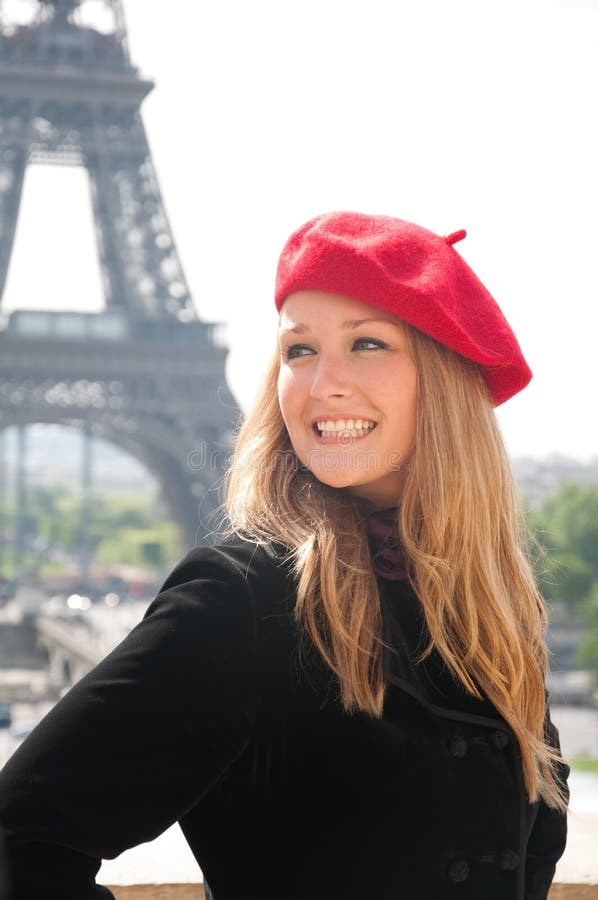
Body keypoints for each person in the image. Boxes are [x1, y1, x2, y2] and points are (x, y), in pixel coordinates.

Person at [0, 211, 568, 900]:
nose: (323, 382)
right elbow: (18, 842)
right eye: (299, 350)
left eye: (366, 343)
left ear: (445, 380)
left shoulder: (491, 606)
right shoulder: (244, 598)